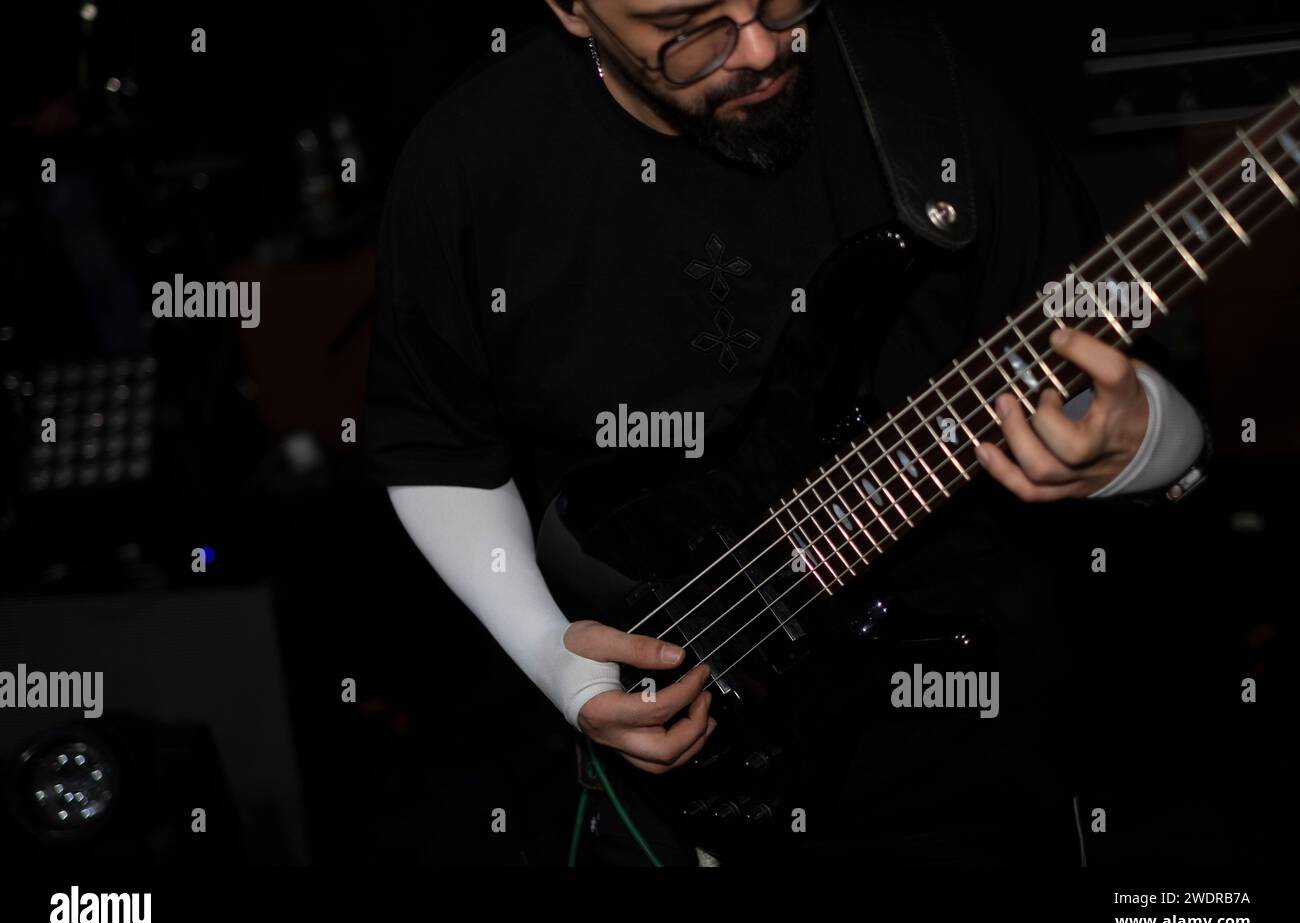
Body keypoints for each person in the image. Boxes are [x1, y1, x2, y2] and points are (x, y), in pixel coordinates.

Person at [363, 0, 1206, 865]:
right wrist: (556, 660)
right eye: (690, 26)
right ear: (573, 10)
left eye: (776, 0)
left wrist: (1149, 442)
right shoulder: (470, 162)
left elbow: (1097, 371)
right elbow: (434, 444)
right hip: (685, 772)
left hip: (978, 751)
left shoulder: (922, 82)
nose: (765, 48)